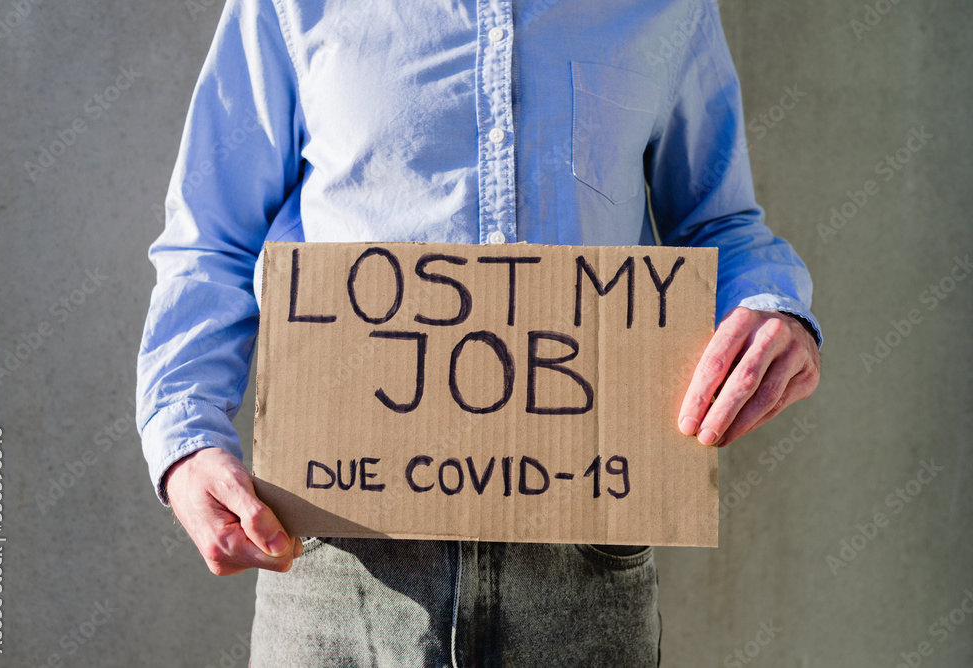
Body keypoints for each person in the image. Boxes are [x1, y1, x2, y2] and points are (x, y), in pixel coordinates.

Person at [136, 0, 821, 664]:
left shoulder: (668, 7)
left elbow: (717, 226)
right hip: (339, 559)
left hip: (584, 566)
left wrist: (770, 305)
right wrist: (185, 440)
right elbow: (213, 239)